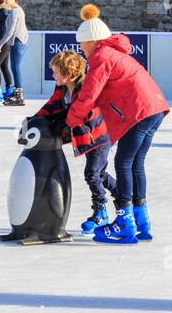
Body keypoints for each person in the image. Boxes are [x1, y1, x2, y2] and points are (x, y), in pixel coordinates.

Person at [68, 4, 170, 245]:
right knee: (136, 163)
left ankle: (124, 223)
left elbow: (89, 94)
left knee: (123, 162)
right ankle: (141, 220)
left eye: (82, 43)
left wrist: (71, 119)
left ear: (92, 40)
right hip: (154, 108)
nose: (81, 48)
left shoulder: (101, 56)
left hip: (140, 112)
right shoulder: (114, 53)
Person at [34, 49, 118, 234]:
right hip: (86, 137)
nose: (53, 75)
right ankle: (123, 196)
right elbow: (52, 105)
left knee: (92, 174)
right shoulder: (62, 88)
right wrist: (36, 118)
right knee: (99, 174)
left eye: (56, 72)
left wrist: (62, 122)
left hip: (99, 137)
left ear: (69, 74)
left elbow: (84, 114)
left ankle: (101, 211)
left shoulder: (85, 89)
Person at [0, 0, 28, 107]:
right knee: (14, 67)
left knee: (15, 68)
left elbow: (10, 31)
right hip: (16, 41)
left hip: (18, 41)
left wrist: (0, 44)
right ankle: (16, 93)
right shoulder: (12, 10)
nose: (5, 1)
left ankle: (19, 96)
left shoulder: (16, 11)